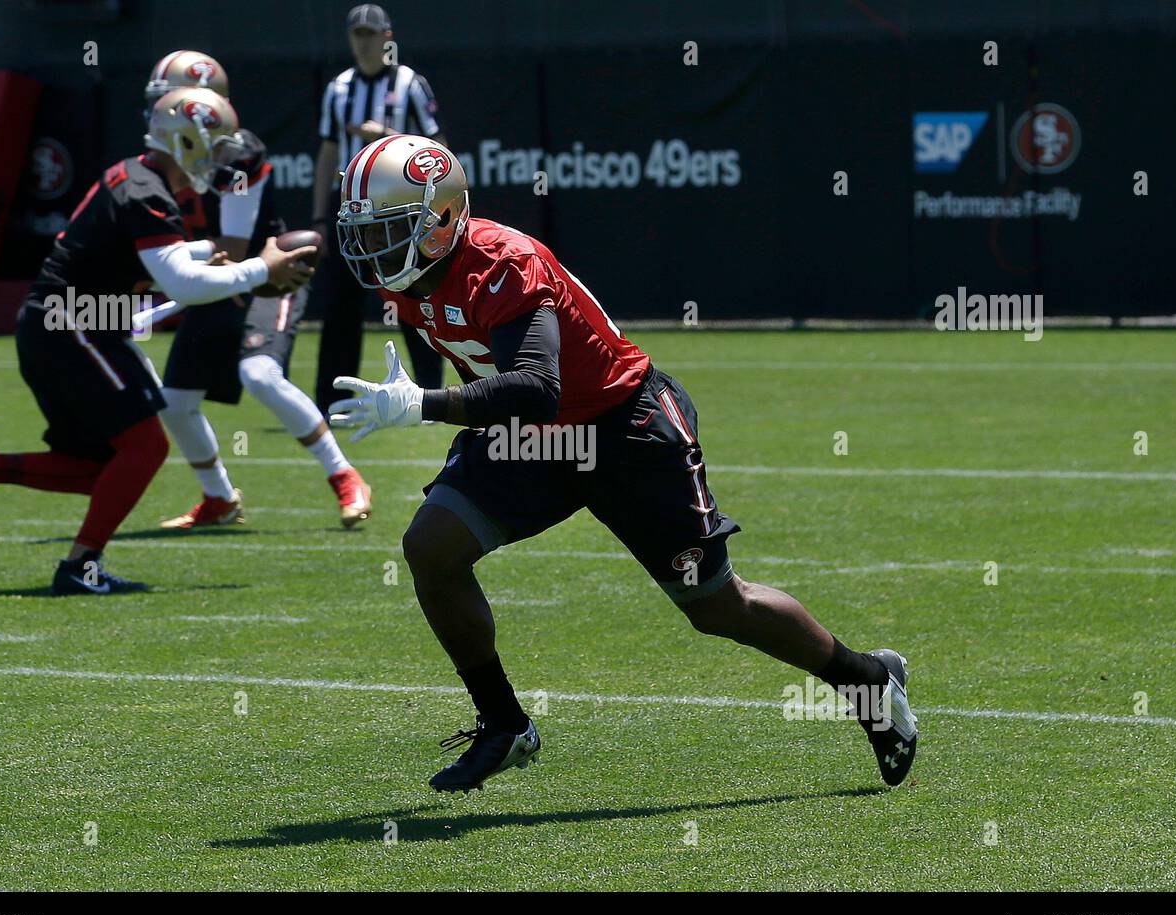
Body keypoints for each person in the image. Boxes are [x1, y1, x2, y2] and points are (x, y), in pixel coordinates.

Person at [328, 136, 919, 791]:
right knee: (431, 547)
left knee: (716, 604)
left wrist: (422, 405)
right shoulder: (413, 279)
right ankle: (504, 724)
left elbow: (534, 385)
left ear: (442, 218)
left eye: (388, 230)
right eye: (363, 232)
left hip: (623, 425)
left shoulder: (502, 262)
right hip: (535, 440)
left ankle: (867, 679)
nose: (372, 250)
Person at [0, 87, 314, 594]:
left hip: (77, 326)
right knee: (144, 446)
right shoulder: (145, 190)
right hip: (71, 326)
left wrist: (217, 259)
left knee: (104, 467)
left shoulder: (143, 180)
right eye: (213, 145)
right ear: (186, 141)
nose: (220, 159)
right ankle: (79, 566)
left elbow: (166, 260)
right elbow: (180, 283)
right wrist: (259, 268)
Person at [143, 51, 372, 530]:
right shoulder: (162, 159)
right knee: (177, 401)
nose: (161, 111)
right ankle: (220, 499)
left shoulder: (237, 157)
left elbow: (231, 248)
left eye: (169, 100)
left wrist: (164, 299)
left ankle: (345, 477)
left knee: (260, 374)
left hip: (269, 277)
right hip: (221, 280)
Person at [311, 3, 446, 413]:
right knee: (340, 303)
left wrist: (386, 135)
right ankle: (332, 400)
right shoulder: (338, 88)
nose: (364, 42)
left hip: (400, 209)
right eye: (358, 34)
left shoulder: (411, 84)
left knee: (411, 294)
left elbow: (436, 150)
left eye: (372, 33)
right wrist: (319, 216)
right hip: (351, 208)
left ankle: (430, 396)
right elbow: (328, 151)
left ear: (387, 37)